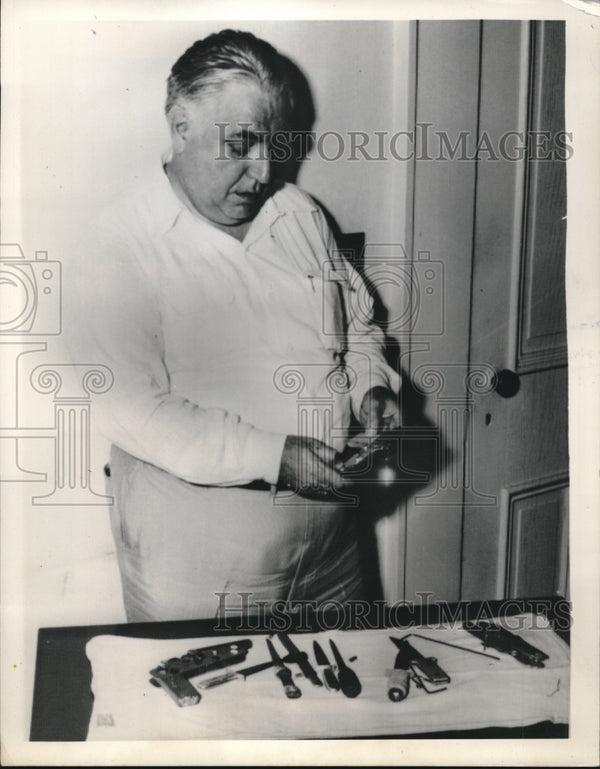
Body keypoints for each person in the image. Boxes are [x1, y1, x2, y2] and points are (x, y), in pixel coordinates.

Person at [67, 29, 401, 622]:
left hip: (332, 548)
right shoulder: (116, 246)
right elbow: (136, 410)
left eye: (274, 143)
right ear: (180, 126)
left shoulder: (298, 214)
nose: (264, 170)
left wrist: (371, 388)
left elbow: (359, 326)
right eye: (242, 143)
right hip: (200, 561)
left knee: (349, 708)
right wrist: (277, 458)